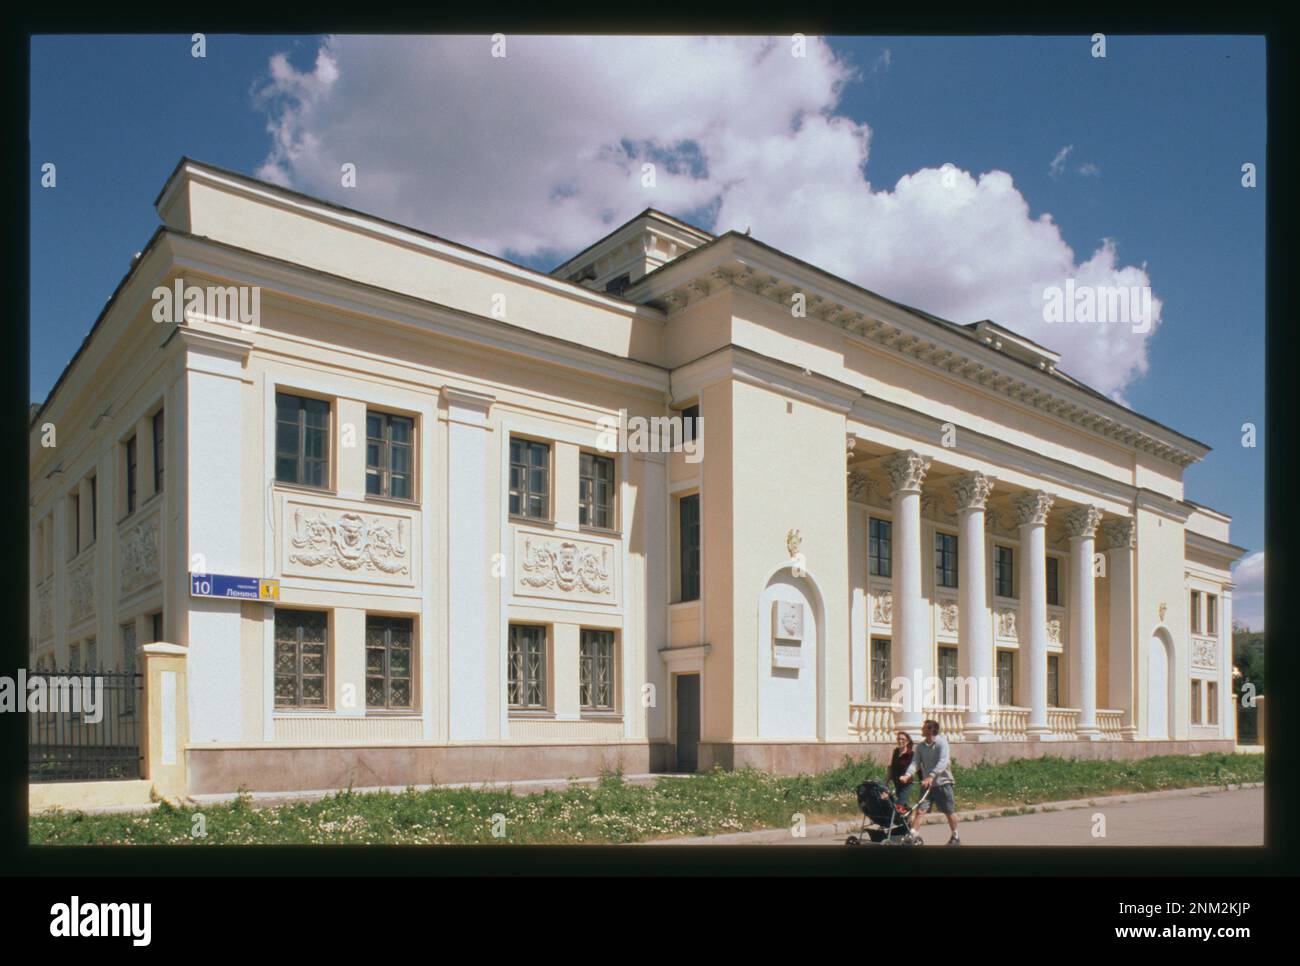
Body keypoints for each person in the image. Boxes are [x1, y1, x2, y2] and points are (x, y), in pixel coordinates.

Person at [903, 718, 961, 845]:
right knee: (920, 810)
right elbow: (915, 762)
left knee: (948, 811)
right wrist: (907, 775)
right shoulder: (921, 746)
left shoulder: (941, 742)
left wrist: (931, 776)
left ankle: (955, 836)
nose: (921, 730)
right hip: (927, 785)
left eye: (924, 728)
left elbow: (943, 761)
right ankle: (913, 834)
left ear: (930, 730)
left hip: (943, 782)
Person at [887, 731, 915, 808]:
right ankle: (908, 817)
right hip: (897, 782)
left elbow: (913, 768)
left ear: (908, 741)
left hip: (906, 784)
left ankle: (896, 819)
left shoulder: (911, 754)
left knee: (899, 805)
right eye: (899, 739)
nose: (900, 741)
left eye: (903, 739)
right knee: (903, 804)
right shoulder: (895, 751)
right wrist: (887, 779)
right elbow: (892, 766)